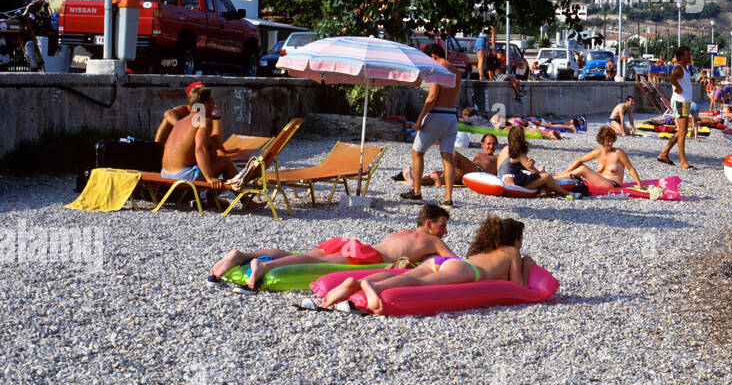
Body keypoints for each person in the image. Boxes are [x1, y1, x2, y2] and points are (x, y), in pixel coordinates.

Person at [322, 214, 536, 313]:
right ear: (516, 239)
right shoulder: (512, 252)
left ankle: (358, 282)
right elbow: (517, 288)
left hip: (443, 262)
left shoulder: (486, 250)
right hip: (463, 270)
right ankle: (374, 287)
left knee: (404, 276)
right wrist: (526, 265)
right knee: (423, 284)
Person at [208, 204, 453, 289]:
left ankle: (242, 255)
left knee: (304, 254)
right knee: (314, 262)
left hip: (351, 244)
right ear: (429, 224)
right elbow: (454, 262)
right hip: (368, 256)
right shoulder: (432, 240)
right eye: (442, 226)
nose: (445, 232)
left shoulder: (404, 232)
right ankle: (261, 265)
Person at [404, 43, 460, 206]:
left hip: (437, 114)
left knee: (418, 152)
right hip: (451, 115)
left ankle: (416, 192)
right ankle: (448, 198)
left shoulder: (437, 68)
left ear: (433, 56)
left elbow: (432, 97)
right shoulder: (456, 71)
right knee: (447, 157)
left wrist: (419, 120)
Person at [160, 84, 239, 196]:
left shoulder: (181, 121)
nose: (214, 105)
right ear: (205, 105)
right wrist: (209, 178)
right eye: (212, 101)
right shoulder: (203, 120)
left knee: (211, 156)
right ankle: (246, 201)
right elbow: (200, 150)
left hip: (165, 174)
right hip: (182, 176)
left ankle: (212, 200)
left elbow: (211, 146)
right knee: (225, 162)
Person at [498, 124, 572, 196]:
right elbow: (533, 171)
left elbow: (512, 166)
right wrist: (542, 172)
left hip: (501, 178)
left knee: (531, 176)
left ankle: (543, 192)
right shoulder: (518, 152)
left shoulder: (505, 148)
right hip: (512, 183)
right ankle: (567, 193)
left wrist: (531, 165)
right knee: (546, 177)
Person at [561, 126, 644, 190]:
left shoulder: (618, 153)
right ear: (602, 141)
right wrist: (565, 172)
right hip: (600, 182)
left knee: (583, 169)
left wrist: (640, 184)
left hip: (612, 185)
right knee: (579, 167)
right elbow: (579, 160)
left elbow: (630, 168)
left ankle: (554, 178)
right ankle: (557, 178)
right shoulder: (598, 152)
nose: (611, 143)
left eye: (612, 140)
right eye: (608, 141)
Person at [656, 46, 696, 170]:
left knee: (681, 131)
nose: (689, 56)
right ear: (681, 57)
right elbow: (672, 78)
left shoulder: (685, 68)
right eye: (687, 54)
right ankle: (683, 161)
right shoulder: (679, 68)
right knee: (683, 131)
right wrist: (678, 87)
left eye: (689, 54)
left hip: (685, 102)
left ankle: (664, 154)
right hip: (680, 102)